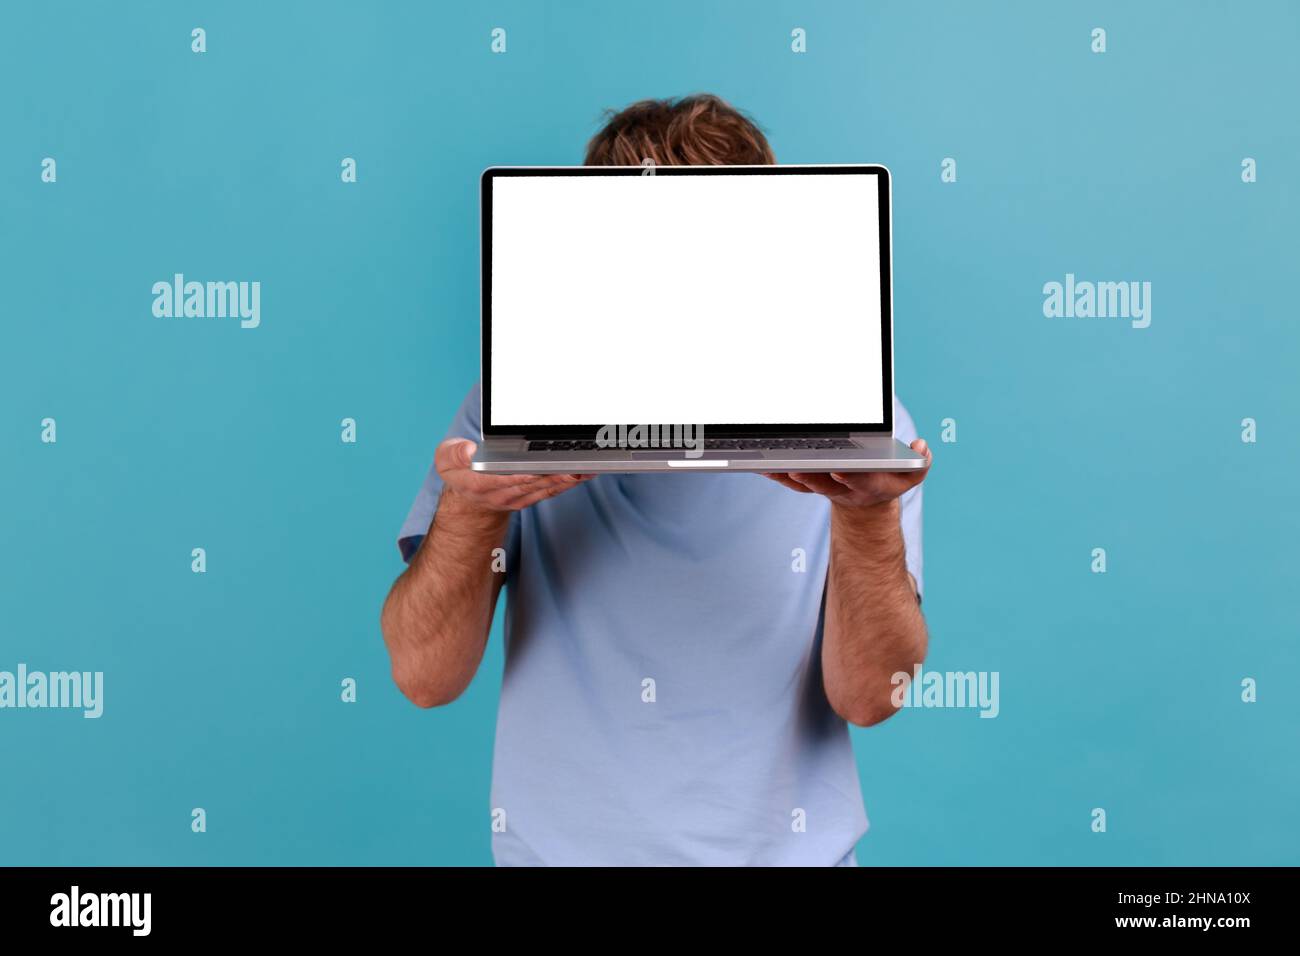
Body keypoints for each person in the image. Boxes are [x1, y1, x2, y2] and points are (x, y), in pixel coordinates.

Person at [380, 94, 932, 866]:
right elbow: (424, 677)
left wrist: (867, 519)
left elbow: (872, 697)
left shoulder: (858, 427)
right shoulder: (514, 407)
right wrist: (472, 515)